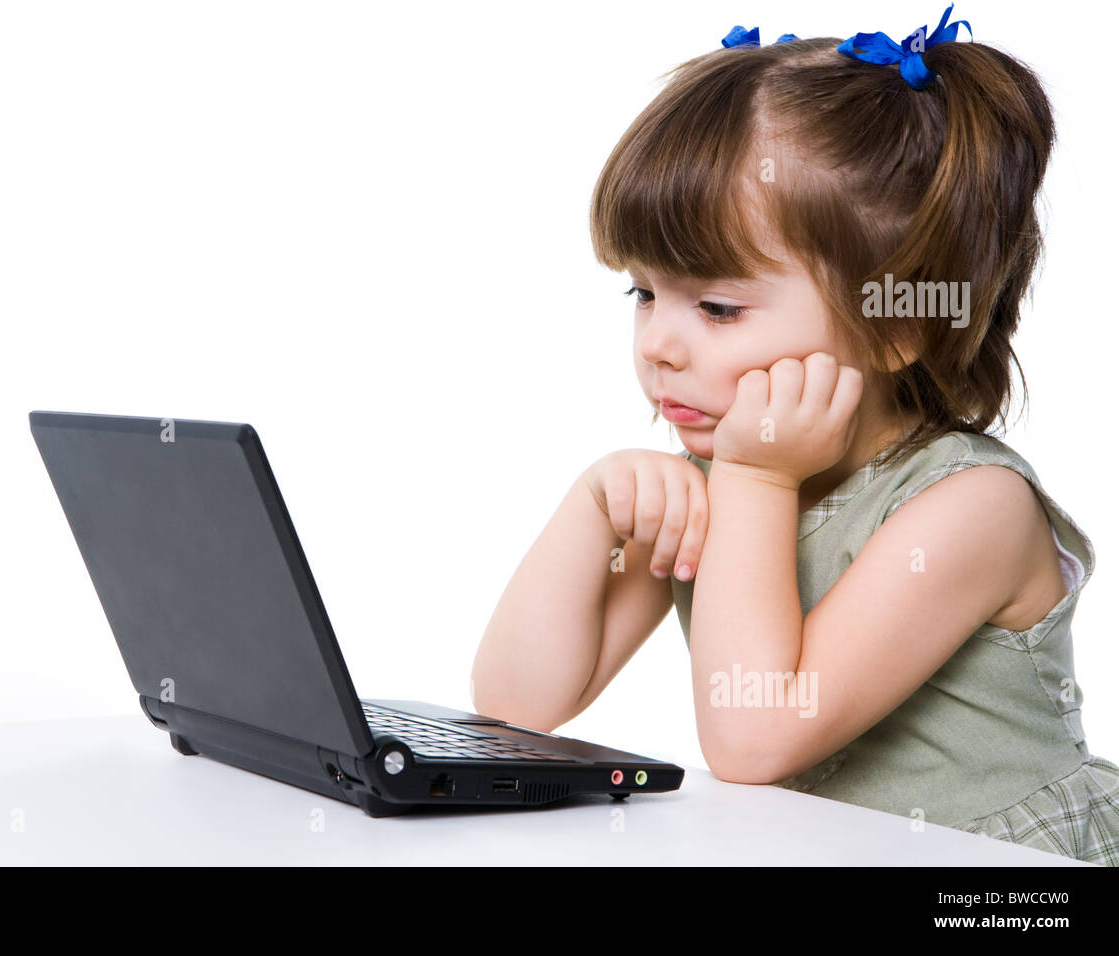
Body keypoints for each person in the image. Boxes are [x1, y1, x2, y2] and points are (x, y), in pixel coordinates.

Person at [471, 4, 1119, 865]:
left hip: (1006, 884)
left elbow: (753, 739)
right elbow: (515, 710)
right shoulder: (718, 479)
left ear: (896, 326)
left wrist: (757, 483)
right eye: (643, 294)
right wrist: (592, 513)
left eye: (718, 307)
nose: (660, 344)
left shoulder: (971, 507)